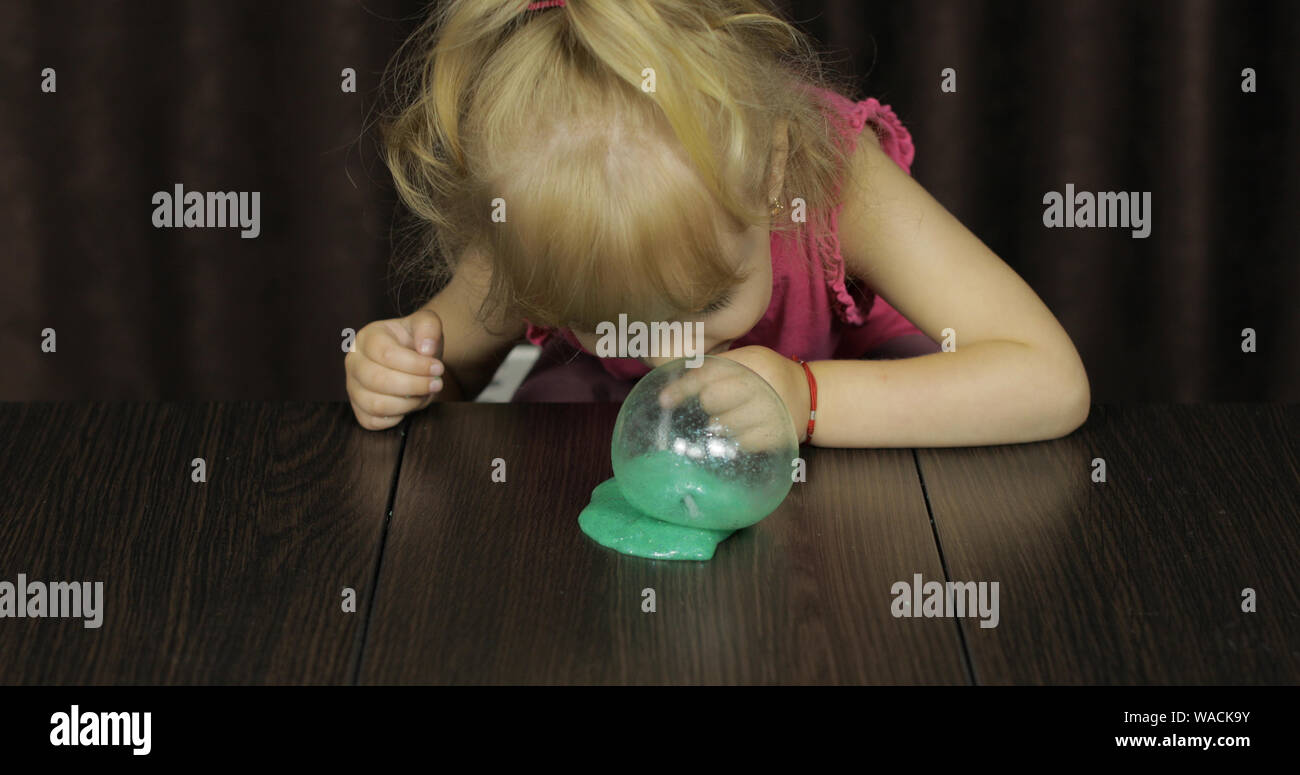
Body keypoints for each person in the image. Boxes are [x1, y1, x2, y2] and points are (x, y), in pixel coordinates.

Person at [345, 0, 1090, 448]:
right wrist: (400, 367)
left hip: (861, 420)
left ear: (770, 172)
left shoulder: (831, 177)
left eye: (702, 302)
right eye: (611, 320)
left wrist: (804, 398)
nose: (671, 348)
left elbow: (1049, 379)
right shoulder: (538, 222)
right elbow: (454, 368)